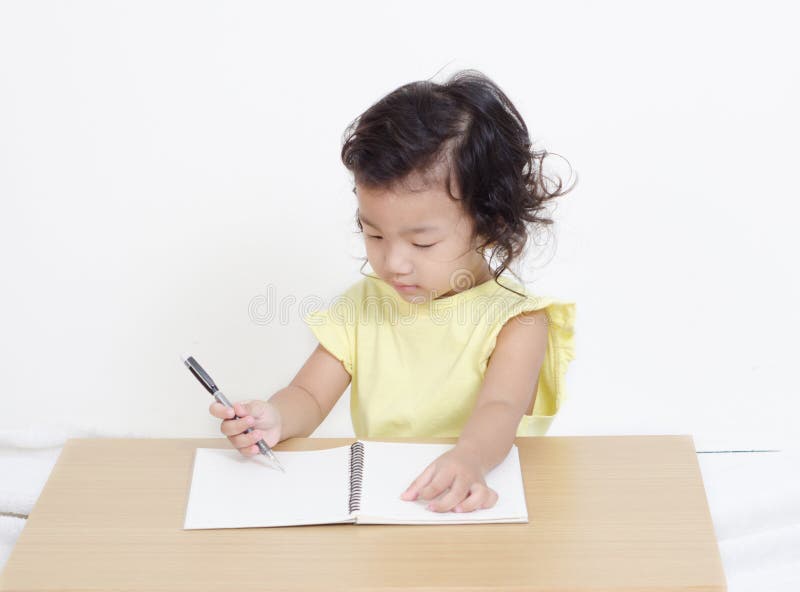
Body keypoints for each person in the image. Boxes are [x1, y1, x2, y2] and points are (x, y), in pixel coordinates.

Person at [210, 69, 577, 514]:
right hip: (385, 505)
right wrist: (275, 418)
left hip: (475, 506)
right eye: (374, 235)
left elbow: (500, 409)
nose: (393, 263)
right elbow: (308, 395)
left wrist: (470, 458)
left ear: (491, 224)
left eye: (422, 243)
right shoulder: (363, 306)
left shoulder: (517, 321)